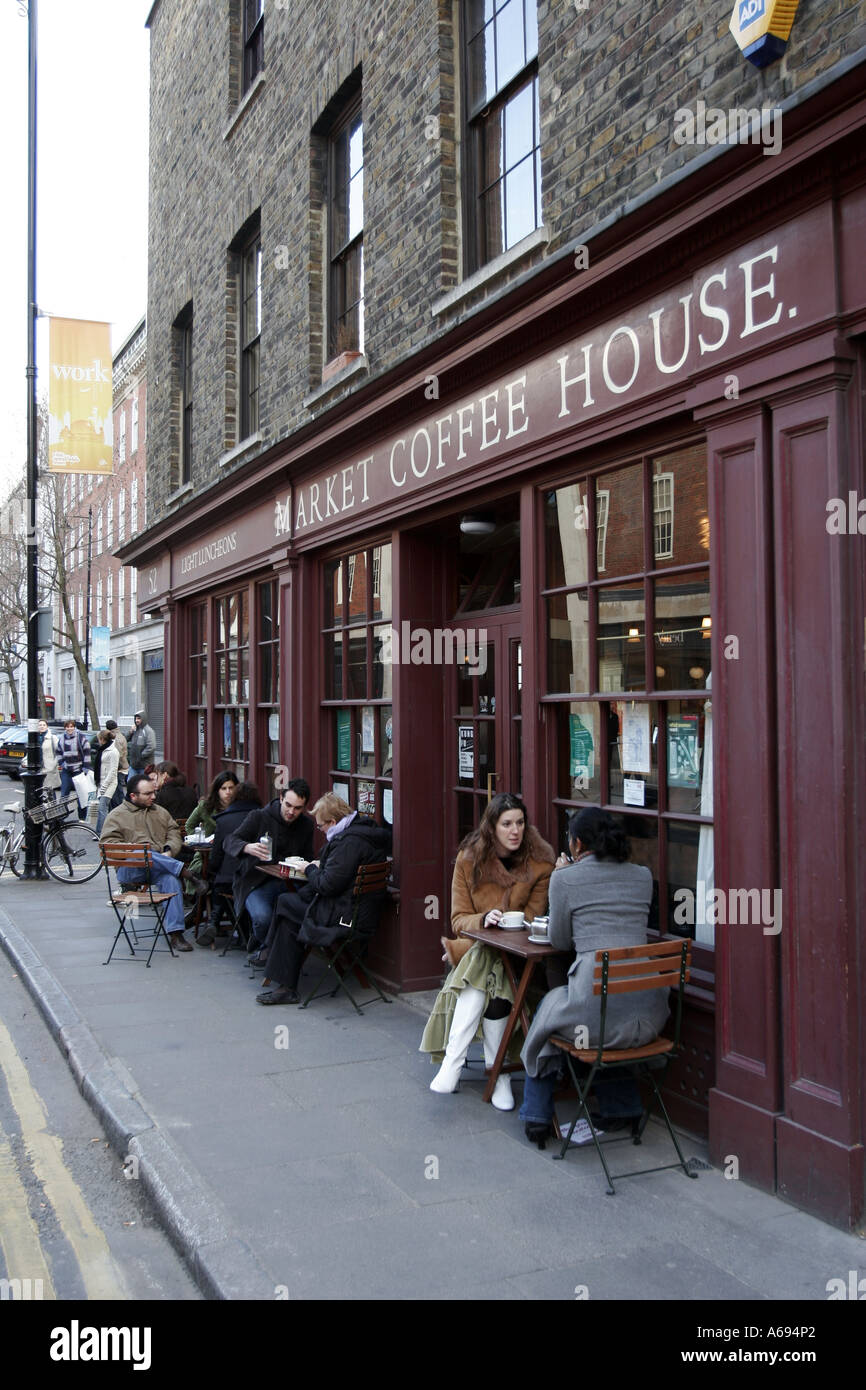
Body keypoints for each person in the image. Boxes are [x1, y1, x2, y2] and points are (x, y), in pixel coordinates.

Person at [519, 807, 669, 1148]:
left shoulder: (565, 878)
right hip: (649, 1009)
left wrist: (563, 878)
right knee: (605, 1009)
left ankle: (537, 1117)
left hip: (597, 1013)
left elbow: (559, 940)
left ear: (576, 844)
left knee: (547, 1011)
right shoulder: (643, 875)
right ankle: (623, 1106)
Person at [420, 793, 555, 1110]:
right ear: (491, 827)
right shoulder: (469, 860)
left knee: (489, 959)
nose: (515, 831)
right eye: (507, 823)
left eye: (520, 822)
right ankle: (499, 1073)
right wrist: (484, 919)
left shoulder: (539, 865)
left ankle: (455, 1063)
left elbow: (534, 921)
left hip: (520, 960)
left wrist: (507, 926)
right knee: (488, 960)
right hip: (479, 953)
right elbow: (457, 921)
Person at [256, 792, 392, 1006]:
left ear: (333, 822)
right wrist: (323, 866)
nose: (320, 830)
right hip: (355, 909)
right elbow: (340, 873)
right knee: (290, 916)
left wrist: (310, 868)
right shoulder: (362, 831)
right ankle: (281, 979)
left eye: (321, 826)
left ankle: (269, 954)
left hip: (344, 917)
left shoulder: (349, 843)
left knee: (285, 903)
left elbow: (327, 885)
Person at [98, 772, 202, 952]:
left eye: (154, 792)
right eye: (148, 794)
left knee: (170, 880)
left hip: (158, 866)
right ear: (133, 796)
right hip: (129, 870)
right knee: (143, 850)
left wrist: (169, 849)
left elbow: (174, 833)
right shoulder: (116, 816)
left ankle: (176, 934)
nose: (154, 796)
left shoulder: (160, 812)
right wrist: (133, 849)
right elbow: (108, 846)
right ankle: (186, 873)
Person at [223, 779, 314, 948]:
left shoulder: (306, 825)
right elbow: (229, 841)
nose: (291, 812)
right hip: (256, 881)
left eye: (297, 808)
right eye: (288, 805)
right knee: (263, 918)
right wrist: (247, 847)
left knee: (309, 913)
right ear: (280, 798)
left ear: (304, 807)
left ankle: (273, 951)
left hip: (290, 881)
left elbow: (308, 855)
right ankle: (266, 948)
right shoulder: (259, 816)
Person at [196, 780, 262, 948]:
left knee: (218, 884)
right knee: (224, 885)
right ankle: (239, 933)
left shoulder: (224, 820)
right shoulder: (263, 817)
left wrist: (211, 870)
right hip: (257, 876)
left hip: (229, 878)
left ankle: (214, 922)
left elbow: (217, 855)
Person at [186, 770, 239, 839]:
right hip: (208, 848)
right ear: (217, 790)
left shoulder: (240, 806)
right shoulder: (205, 806)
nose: (228, 792)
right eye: (224, 788)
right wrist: (202, 840)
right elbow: (189, 825)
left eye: (231, 788)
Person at [56, 718, 91, 820]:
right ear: (65, 728)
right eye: (67, 727)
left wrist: (85, 768)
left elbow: (87, 752)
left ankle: (82, 818)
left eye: (71, 726)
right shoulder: (61, 738)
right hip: (67, 770)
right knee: (64, 795)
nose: (69, 728)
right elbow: (58, 753)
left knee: (81, 794)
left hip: (79, 770)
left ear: (74, 727)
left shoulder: (81, 737)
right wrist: (62, 764)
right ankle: (61, 817)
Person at [95, 729, 119, 835]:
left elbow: (113, 771)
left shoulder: (113, 752)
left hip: (109, 783)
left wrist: (104, 786)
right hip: (102, 782)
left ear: (102, 739)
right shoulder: (103, 749)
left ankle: (100, 833)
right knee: (106, 808)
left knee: (102, 808)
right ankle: (107, 830)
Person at [105, 720, 129, 807]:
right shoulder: (120, 735)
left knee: (116, 789)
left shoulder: (115, 738)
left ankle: (119, 807)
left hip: (118, 767)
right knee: (117, 788)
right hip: (121, 766)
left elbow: (118, 754)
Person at [128, 711, 156, 776]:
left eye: (138, 718)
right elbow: (126, 739)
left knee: (143, 783)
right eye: (135, 719)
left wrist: (141, 755)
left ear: (143, 719)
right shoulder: (135, 729)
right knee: (131, 783)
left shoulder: (148, 730)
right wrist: (130, 731)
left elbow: (151, 746)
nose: (136, 720)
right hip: (134, 765)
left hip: (144, 766)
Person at [38, 719, 61, 797]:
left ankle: (53, 808)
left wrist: (53, 764)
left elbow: (59, 751)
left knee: (50, 791)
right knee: (40, 791)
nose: (42, 726)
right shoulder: (35, 738)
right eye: (40, 725)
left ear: (47, 726)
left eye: (44, 725)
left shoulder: (52, 738)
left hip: (49, 768)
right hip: (38, 767)